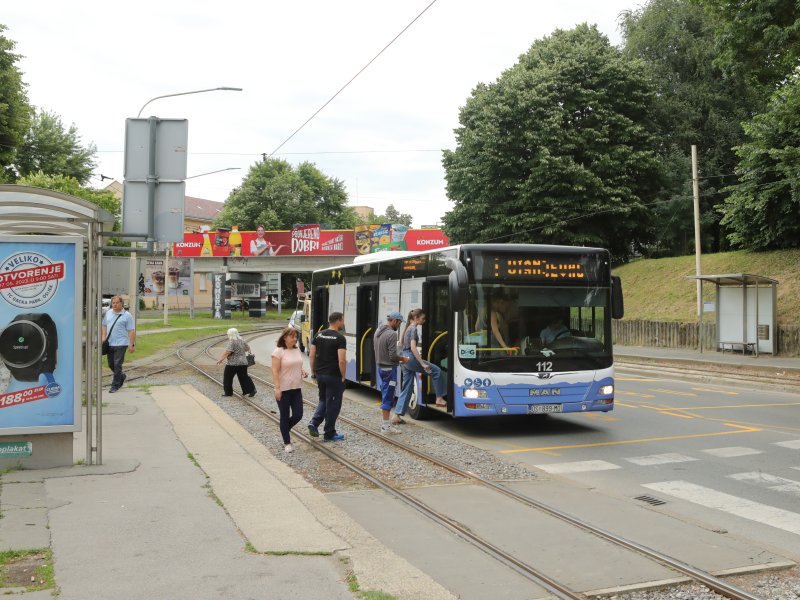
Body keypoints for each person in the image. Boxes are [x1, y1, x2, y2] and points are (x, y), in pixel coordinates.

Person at [396, 308, 447, 413]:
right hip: (410, 359)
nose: (424, 321)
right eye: (423, 318)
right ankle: (439, 398)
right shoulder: (413, 329)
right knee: (436, 371)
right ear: (416, 318)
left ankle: (397, 414)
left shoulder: (407, 328)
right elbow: (413, 348)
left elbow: (401, 345)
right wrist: (422, 363)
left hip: (404, 359)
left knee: (407, 388)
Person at [307, 312, 347, 441]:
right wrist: (343, 376)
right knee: (334, 404)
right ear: (338, 321)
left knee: (323, 400)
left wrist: (313, 372)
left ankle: (314, 423)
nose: (343, 323)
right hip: (334, 376)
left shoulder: (318, 335)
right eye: (343, 321)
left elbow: (312, 355)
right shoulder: (340, 338)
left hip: (320, 374)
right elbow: (342, 360)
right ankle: (329, 433)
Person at [271, 327, 308, 453]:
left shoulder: (297, 350)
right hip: (284, 389)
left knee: (298, 414)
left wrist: (302, 371)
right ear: (285, 337)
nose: (295, 339)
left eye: (296, 336)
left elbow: (297, 364)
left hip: (297, 387)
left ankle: (284, 428)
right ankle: (287, 442)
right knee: (285, 416)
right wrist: (277, 388)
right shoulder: (278, 351)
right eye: (292, 336)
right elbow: (275, 371)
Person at [373, 310, 410, 434]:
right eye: (399, 323)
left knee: (385, 393)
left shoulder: (378, 331)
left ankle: (386, 424)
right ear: (394, 321)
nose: (399, 326)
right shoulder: (391, 334)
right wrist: (403, 358)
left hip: (381, 368)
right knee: (388, 396)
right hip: (389, 369)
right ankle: (386, 426)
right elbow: (393, 356)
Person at [101, 295, 135, 393]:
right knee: (111, 364)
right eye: (113, 303)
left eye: (117, 303)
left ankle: (115, 386)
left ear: (121, 304)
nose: (115, 305)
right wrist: (103, 336)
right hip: (110, 343)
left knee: (117, 364)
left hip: (122, 343)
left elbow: (131, 331)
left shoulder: (127, 315)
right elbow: (104, 325)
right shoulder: (108, 313)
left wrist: (131, 344)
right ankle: (122, 376)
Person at [217, 327, 257, 397]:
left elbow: (228, 352)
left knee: (227, 378)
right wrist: (240, 352)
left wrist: (221, 359)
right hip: (243, 362)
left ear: (230, 334)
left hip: (233, 363)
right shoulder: (242, 340)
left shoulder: (232, 341)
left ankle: (228, 393)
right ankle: (251, 390)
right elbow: (248, 348)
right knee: (244, 377)